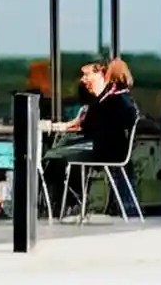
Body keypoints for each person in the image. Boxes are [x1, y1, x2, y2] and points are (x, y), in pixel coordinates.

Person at [44, 60, 140, 216]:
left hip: (104, 152)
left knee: (57, 156)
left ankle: (62, 204)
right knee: (60, 153)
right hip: (110, 150)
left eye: (87, 75)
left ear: (106, 75)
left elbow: (90, 126)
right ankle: (67, 203)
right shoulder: (121, 99)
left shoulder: (111, 100)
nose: (83, 80)